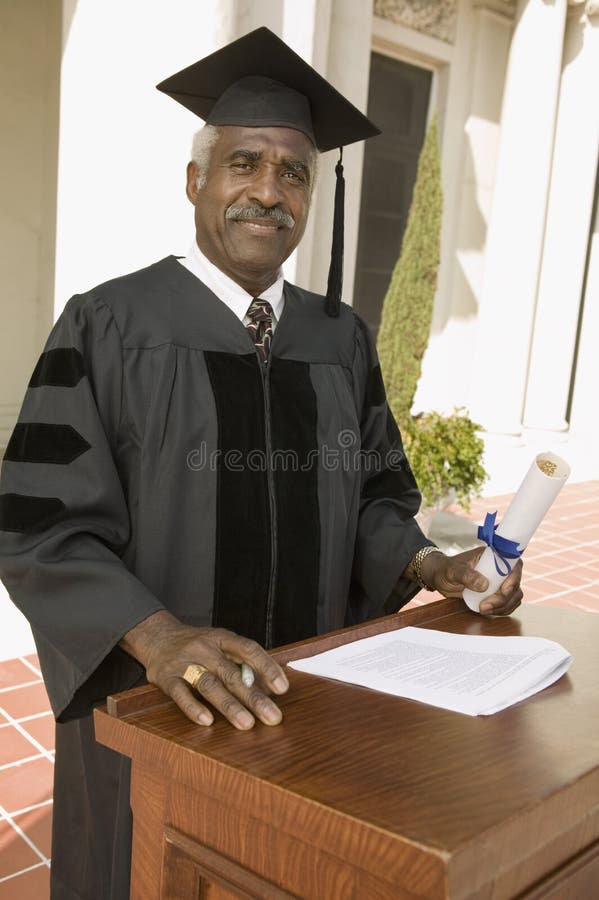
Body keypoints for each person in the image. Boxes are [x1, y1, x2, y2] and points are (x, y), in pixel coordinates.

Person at [0, 27, 522, 900]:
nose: (267, 192)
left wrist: (431, 562)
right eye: (243, 164)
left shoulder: (338, 338)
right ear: (195, 181)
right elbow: (41, 522)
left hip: (309, 707)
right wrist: (159, 638)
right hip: (157, 707)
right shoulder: (109, 323)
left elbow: (374, 495)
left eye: (293, 173)